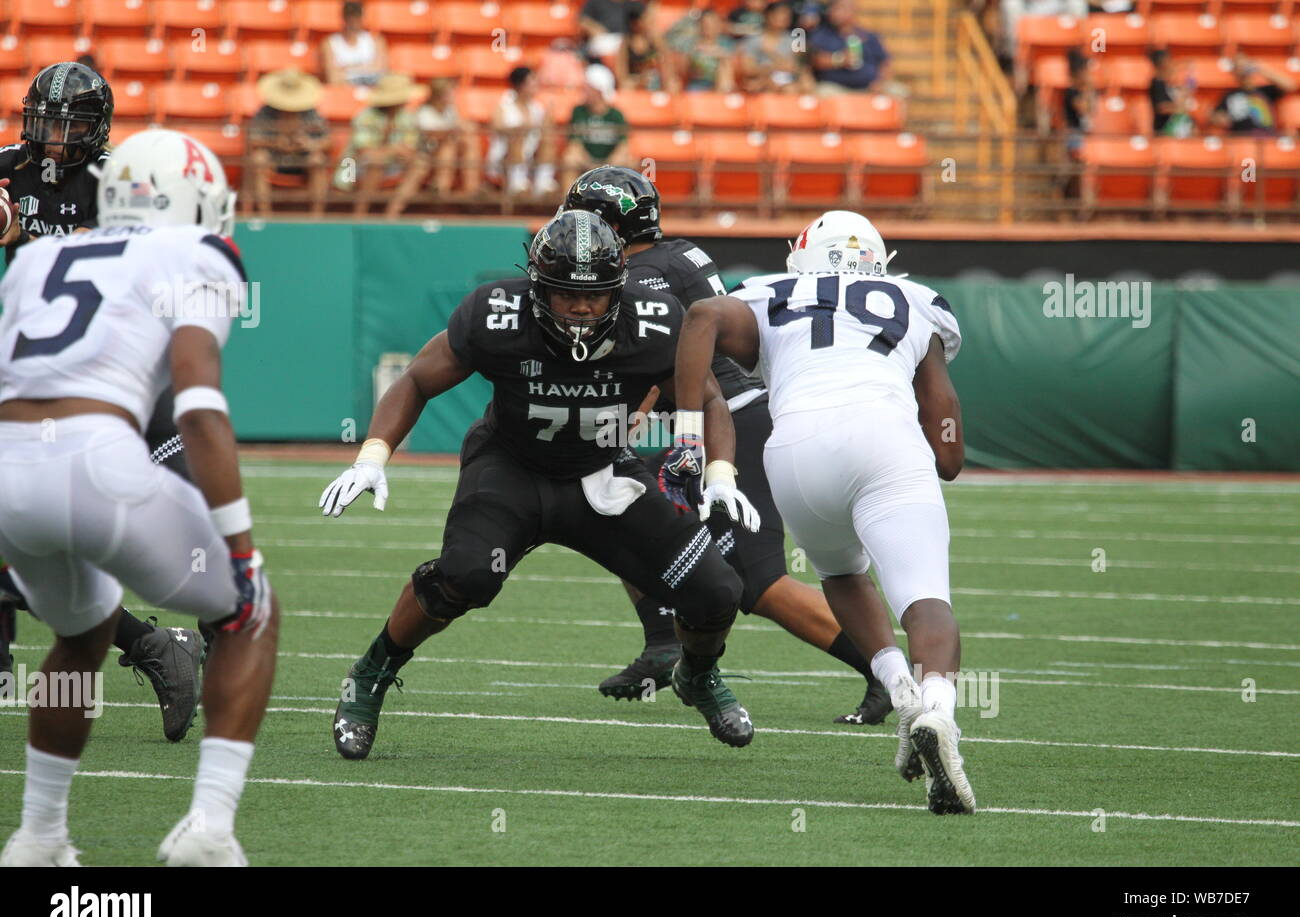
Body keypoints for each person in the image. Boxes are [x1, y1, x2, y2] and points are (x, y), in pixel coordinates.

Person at [323, 210, 760, 757]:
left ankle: (696, 674)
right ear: (536, 287)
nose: (581, 307)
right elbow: (416, 380)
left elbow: (712, 400)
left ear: (619, 289)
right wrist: (372, 455)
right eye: (565, 294)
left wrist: (720, 472)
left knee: (717, 590)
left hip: (603, 474)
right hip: (511, 469)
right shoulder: (496, 313)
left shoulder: (654, 324)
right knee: (464, 577)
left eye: (596, 295)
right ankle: (372, 671)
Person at [0, 128, 279, 866]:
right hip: (98, 460)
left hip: (7, 473)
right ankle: (211, 830)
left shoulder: (37, 255)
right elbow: (196, 404)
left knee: (81, 631)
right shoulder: (197, 252)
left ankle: (39, 836)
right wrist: (242, 547)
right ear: (197, 202)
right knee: (253, 612)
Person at [563, 167, 892, 725]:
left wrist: (628, 424)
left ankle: (886, 672)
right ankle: (663, 643)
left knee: (759, 581)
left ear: (611, 224)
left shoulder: (638, 277)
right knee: (618, 502)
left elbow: (655, 360)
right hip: (740, 419)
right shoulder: (677, 255)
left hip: (731, 428)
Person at [672, 210, 975, 815]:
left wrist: (688, 435)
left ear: (802, 253)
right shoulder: (915, 297)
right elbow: (938, 404)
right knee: (925, 600)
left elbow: (702, 315)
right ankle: (937, 710)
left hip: (795, 448)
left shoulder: (769, 290)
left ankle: (897, 690)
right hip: (886, 437)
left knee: (840, 574)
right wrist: (946, 456)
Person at [0, 62, 204, 742]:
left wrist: (22, 234)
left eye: (71, 126)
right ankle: (148, 646)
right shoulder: (7, 169)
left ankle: (177, 641)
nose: (55, 139)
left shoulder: (124, 189)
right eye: (46, 123)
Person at [386, 77, 481, 214]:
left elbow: (457, 129)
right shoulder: (424, 112)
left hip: (436, 154)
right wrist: (454, 130)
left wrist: (460, 129)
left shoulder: (449, 110)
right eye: (450, 92)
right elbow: (431, 135)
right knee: (447, 148)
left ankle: (469, 190)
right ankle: (442, 190)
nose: (453, 95)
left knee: (466, 142)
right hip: (422, 154)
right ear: (440, 95)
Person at [247, 70, 331, 217]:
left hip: (302, 158)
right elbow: (253, 139)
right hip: (274, 157)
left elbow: (327, 140)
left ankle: (316, 215)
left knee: (318, 160)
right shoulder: (266, 112)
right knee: (258, 159)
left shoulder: (310, 112)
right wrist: (275, 143)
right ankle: (265, 213)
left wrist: (310, 144)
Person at [334, 73, 420, 217]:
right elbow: (365, 152)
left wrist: (397, 152)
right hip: (353, 167)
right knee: (376, 163)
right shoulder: (366, 116)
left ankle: (392, 213)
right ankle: (360, 213)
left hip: (393, 163)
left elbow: (409, 149)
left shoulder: (407, 117)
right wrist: (394, 149)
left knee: (420, 163)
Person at [487, 66, 557, 195]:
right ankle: (517, 185)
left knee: (547, 141)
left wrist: (548, 118)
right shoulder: (503, 105)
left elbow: (545, 130)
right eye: (532, 81)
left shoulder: (537, 108)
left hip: (530, 156)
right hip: (505, 156)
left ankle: (543, 185)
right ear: (520, 85)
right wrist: (520, 128)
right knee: (517, 137)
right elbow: (496, 126)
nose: (536, 85)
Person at [562, 67, 630, 187]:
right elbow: (574, 144)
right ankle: (569, 201)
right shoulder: (578, 112)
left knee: (627, 160)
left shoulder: (616, 115)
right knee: (570, 159)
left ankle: (623, 202)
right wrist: (589, 164)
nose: (584, 91)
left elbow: (622, 146)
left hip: (609, 162)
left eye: (588, 88)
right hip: (585, 160)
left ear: (598, 90)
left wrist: (607, 166)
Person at [808, 0, 892, 96]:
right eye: (833, 8)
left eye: (840, 8)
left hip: (869, 87)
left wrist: (880, 82)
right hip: (835, 88)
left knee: (898, 93)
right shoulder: (821, 35)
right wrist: (840, 59)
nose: (834, 12)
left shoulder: (869, 36)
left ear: (853, 10)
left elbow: (885, 63)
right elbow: (814, 61)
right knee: (822, 93)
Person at [738, 2, 814, 94]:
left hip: (789, 81)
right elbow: (748, 68)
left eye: (787, 15)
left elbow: (796, 66)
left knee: (796, 87)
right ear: (768, 16)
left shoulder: (796, 40)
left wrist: (772, 55)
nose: (784, 18)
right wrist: (769, 70)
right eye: (780, 14)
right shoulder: (753, 40)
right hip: (763, 81)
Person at [1212, 55, 1296, 136]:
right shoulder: (1229, 96)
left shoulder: (1264, 91)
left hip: (1266, 137)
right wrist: (1219, 119)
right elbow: (1215, 116)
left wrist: (1261, 69)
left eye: (1244, 65)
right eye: (1238, 66)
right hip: (1241, 140)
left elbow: (1290, 85)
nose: (1242, 69)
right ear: (1234, 71)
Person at [323, 1, 387, 87]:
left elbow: (381, 71)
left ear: (362, 17)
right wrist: (366, 68)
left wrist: (346, 69)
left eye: (356, 15)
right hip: (344, 90)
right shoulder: (330, 43)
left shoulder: (376, 40)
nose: (353, 20)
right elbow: (333, 77)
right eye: (349, 15)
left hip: (372, 91)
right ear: (344, 17)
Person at [617, 3, 678, 92]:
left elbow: (668, 65)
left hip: (656, 82)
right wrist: (638, 81)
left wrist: (667, 80)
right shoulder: (625, 44)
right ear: (635, 23)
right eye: (645, 18)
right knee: (625, 88)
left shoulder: (656, 40)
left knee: (673, 86)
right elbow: (622, 76)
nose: (649, 21)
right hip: (637, 83)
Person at [678, 8, 737, 92]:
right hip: (698, 84)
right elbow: (683, 70)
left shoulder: (727, 43)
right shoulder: (692, 44)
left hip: (722, 83)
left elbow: (735, 67)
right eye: (705, 23)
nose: (709, 27)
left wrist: (720, 54)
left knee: (723, 66)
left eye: (712, 23)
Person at [1149, 50, 1195, 138]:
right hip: (1164, 131)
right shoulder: (1157, 84)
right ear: (1162, 64)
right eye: (1169, 61)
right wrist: (1181, 107)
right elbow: (1162, 107)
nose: (1172, 65)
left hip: (1177, 130)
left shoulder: (1170, 85)